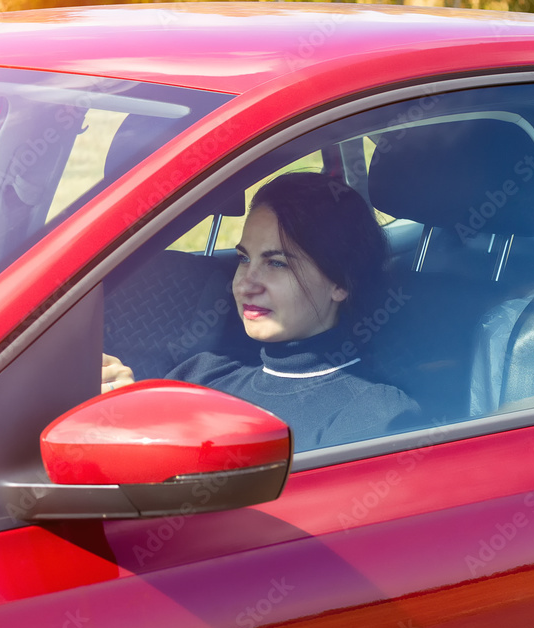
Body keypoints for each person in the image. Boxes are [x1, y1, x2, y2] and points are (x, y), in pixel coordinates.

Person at [101, 171, 419, 451]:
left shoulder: (376, 411)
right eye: (244, 259)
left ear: (340, 282)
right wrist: (127, 408)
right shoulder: (200, 375)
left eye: (276, 263)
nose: (245, 284)